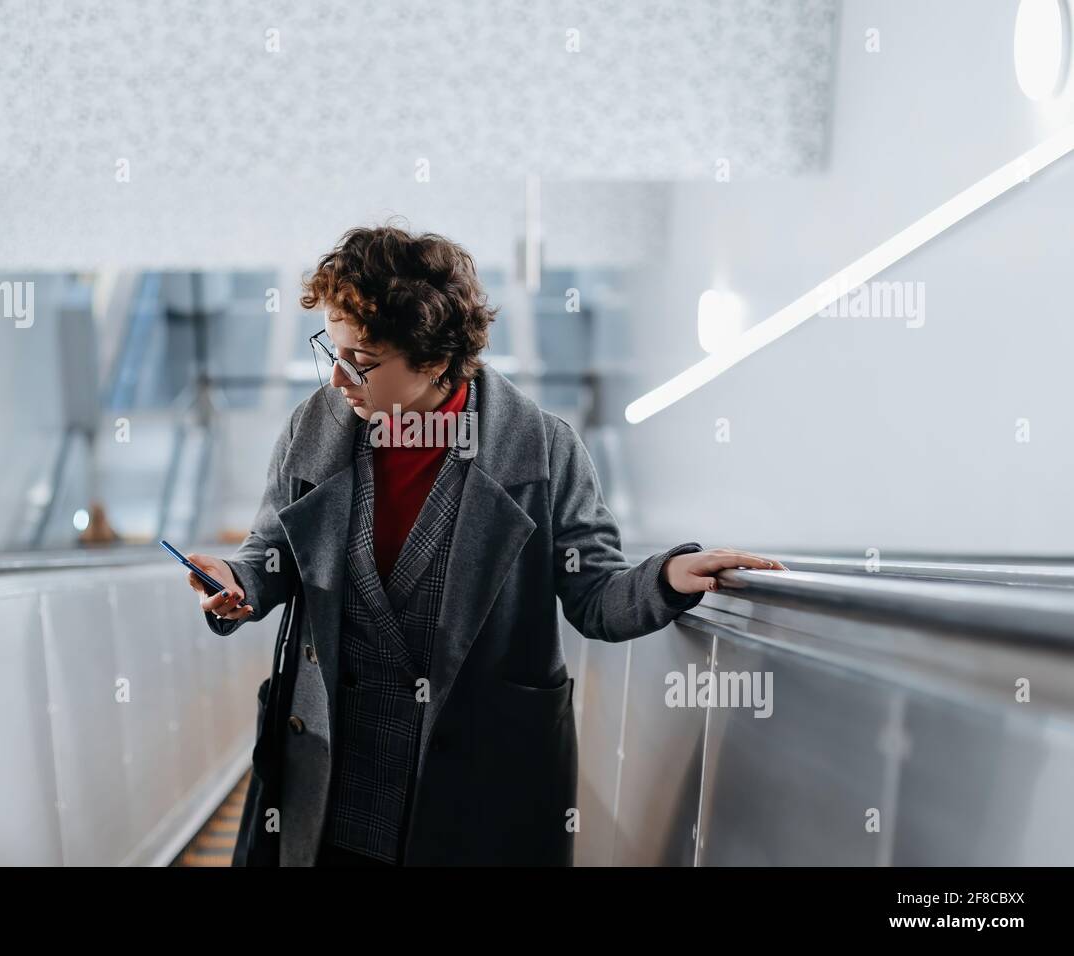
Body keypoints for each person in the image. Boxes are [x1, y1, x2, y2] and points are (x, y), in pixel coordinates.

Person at [185, 224, 786, 866]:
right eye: (329, 351)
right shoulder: (313, 429)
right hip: (334, 778)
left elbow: (594, 594)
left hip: (470, 782)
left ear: (434, 360)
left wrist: (666, 577)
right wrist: (240, 581)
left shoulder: (543, 450)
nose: (337, 380)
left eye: (359, 361)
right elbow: (271, 551)